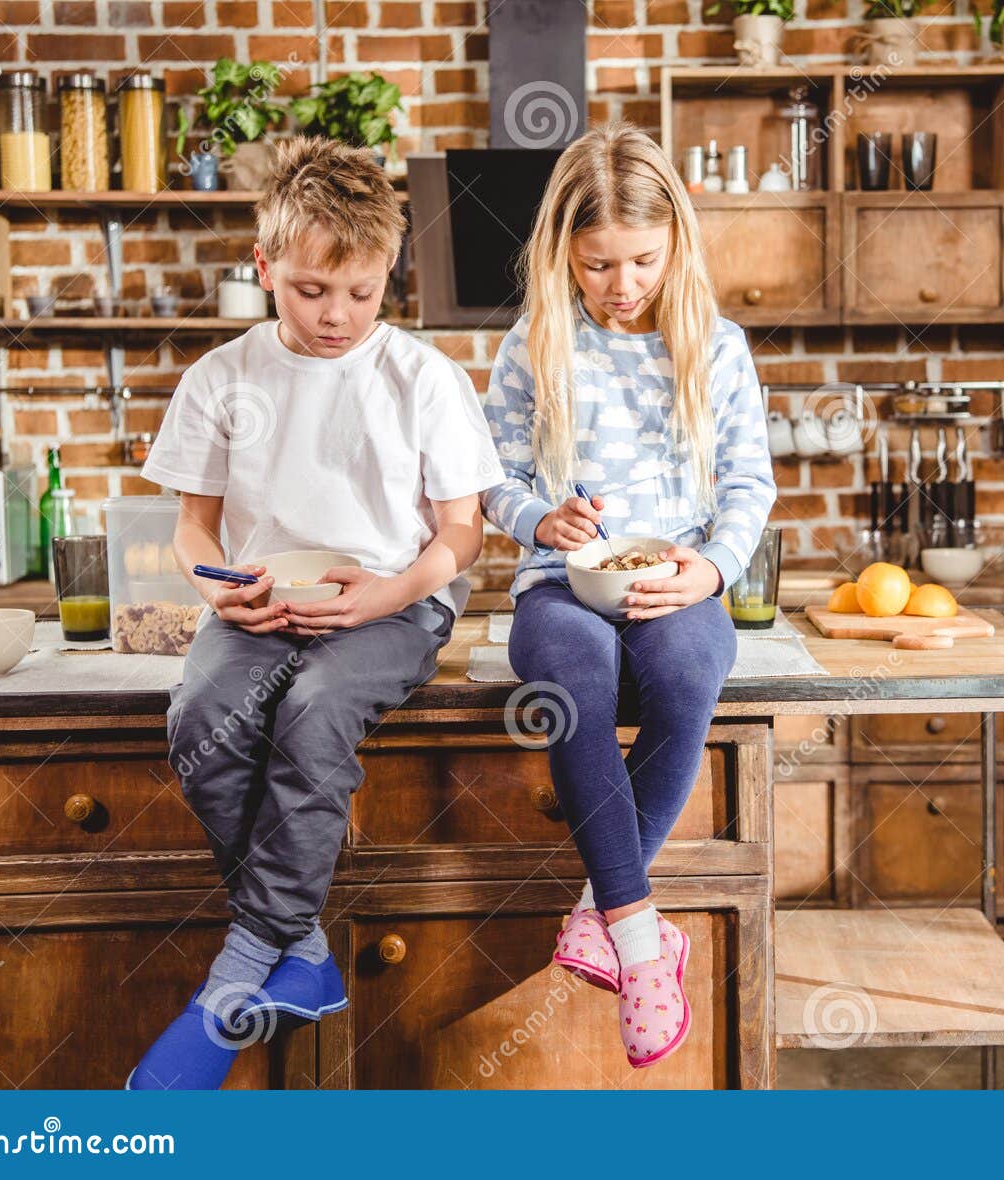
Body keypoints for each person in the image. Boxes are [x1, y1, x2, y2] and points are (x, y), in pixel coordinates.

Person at [127, 136, 503, 1089]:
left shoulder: (423, 379)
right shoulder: (222, 377)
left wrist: (392, 591)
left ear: (390, 276)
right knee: (202, 720)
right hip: (261, 605)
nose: (337, 316)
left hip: (393, 605)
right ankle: (300, 943)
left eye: (362, 293)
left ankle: (243, 967)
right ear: (263, 268)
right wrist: (215, 588)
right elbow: (192, 530)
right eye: (308, 290)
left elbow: (462, 535)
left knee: (314, 708)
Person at [480, 121, 776, 1069]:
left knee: (689, 671)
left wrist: (714, 568)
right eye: (599, 263)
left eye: (643, 259)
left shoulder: (717, 347)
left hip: (676, 576)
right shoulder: (534, 346)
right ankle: (644, 938)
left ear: (675, 243)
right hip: (562, 587)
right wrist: (538, 520)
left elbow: (748, 484)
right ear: (563, 250)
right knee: (574, 670)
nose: (623, 284)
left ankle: (596, 912)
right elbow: (491, 475)